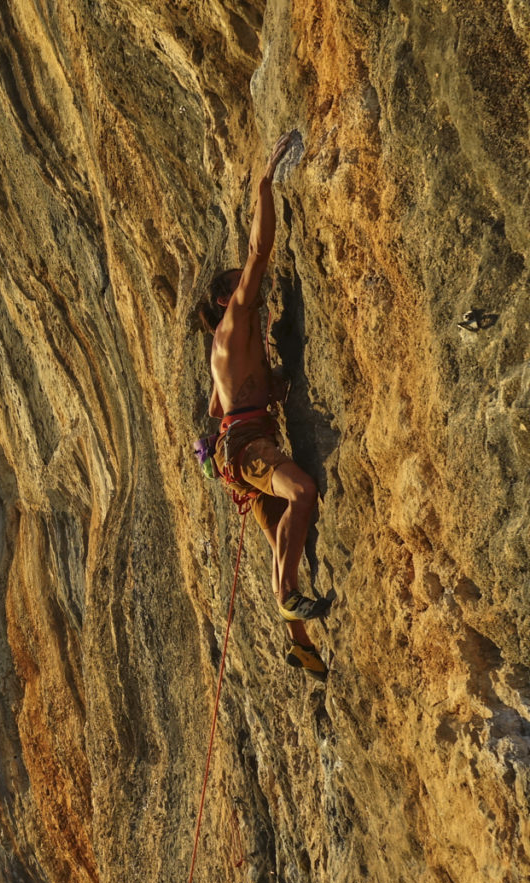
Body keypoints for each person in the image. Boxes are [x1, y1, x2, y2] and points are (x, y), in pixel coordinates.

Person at [198, 130, 329, 677]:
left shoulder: (228, 346)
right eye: (239, 285)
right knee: (303, 492)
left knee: (281, 533)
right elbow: (259, 250)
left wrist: (265, 390)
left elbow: (214, 410)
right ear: (227, 299)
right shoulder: (235, 321)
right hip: (248, 449)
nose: (251, 284)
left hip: (240, 449)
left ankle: (301, 641)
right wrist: (264, 184)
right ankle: (290, 594)